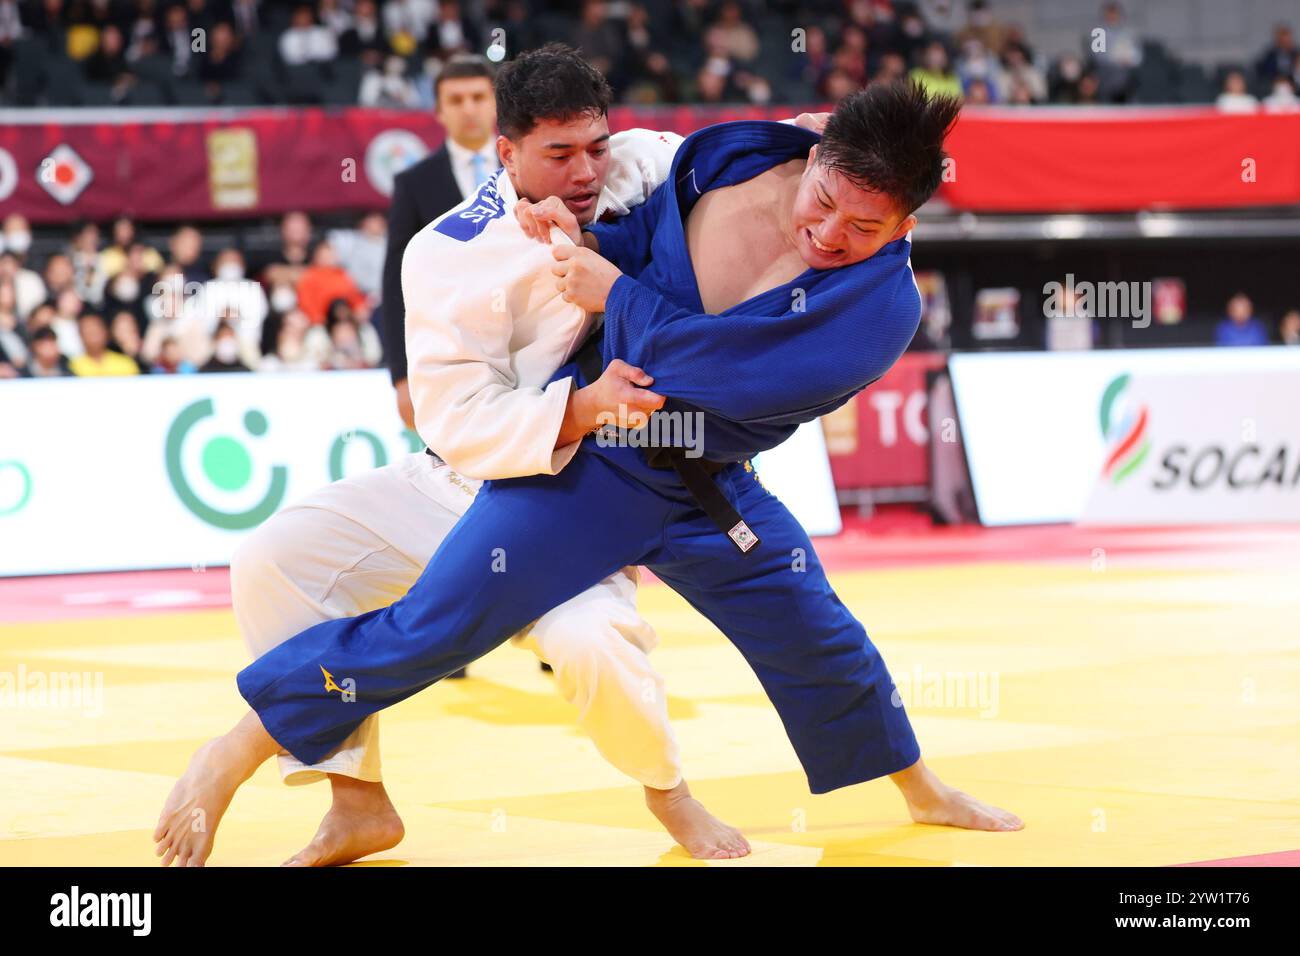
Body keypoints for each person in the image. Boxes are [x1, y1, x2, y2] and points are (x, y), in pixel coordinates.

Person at [155, 78, 1022, 869]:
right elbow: (648, 235)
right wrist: (590, 240)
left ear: (904, 225)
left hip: (709, 483)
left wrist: (613, 290)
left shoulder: (880, 308)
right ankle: (236, 749)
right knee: (436, 623)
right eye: (826, 200)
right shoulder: (743, 154)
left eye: (864, 229)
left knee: (817, 630)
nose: (829, 234)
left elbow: (718, 371)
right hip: (592, 457)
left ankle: (919, 787)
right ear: (818, 155)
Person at [156, 44, 765, 867]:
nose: (586, 172)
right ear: (506, 154)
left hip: (570, 502)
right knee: (275, 556)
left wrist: (811, 140)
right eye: (559, 155)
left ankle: (672, 797)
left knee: (592, 646)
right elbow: (454, 417)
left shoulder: (635, 166)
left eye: (595, 145)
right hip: (462, 479)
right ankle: (357, 803)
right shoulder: (445, 248)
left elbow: (724, 151)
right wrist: (582, 406)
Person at [68, 312, 139, 376]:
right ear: (80, 335)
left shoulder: (126, 363)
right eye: (88, 332)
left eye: (95, 331)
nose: (92, 336)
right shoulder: (72, 366)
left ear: (106, 332)